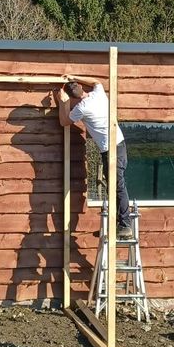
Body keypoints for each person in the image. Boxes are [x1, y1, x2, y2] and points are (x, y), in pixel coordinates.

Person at [56, 76, 134, 239]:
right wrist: (74, 77)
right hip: (119, 145)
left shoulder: (82, 108)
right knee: (114, 187)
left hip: (111, 150)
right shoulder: (98, 94)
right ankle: (116, 225)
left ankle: (125, 226)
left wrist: (62, 102)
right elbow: (96, 82)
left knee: (117, 187)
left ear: (72, 98)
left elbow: (64, 121)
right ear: (81, 88)